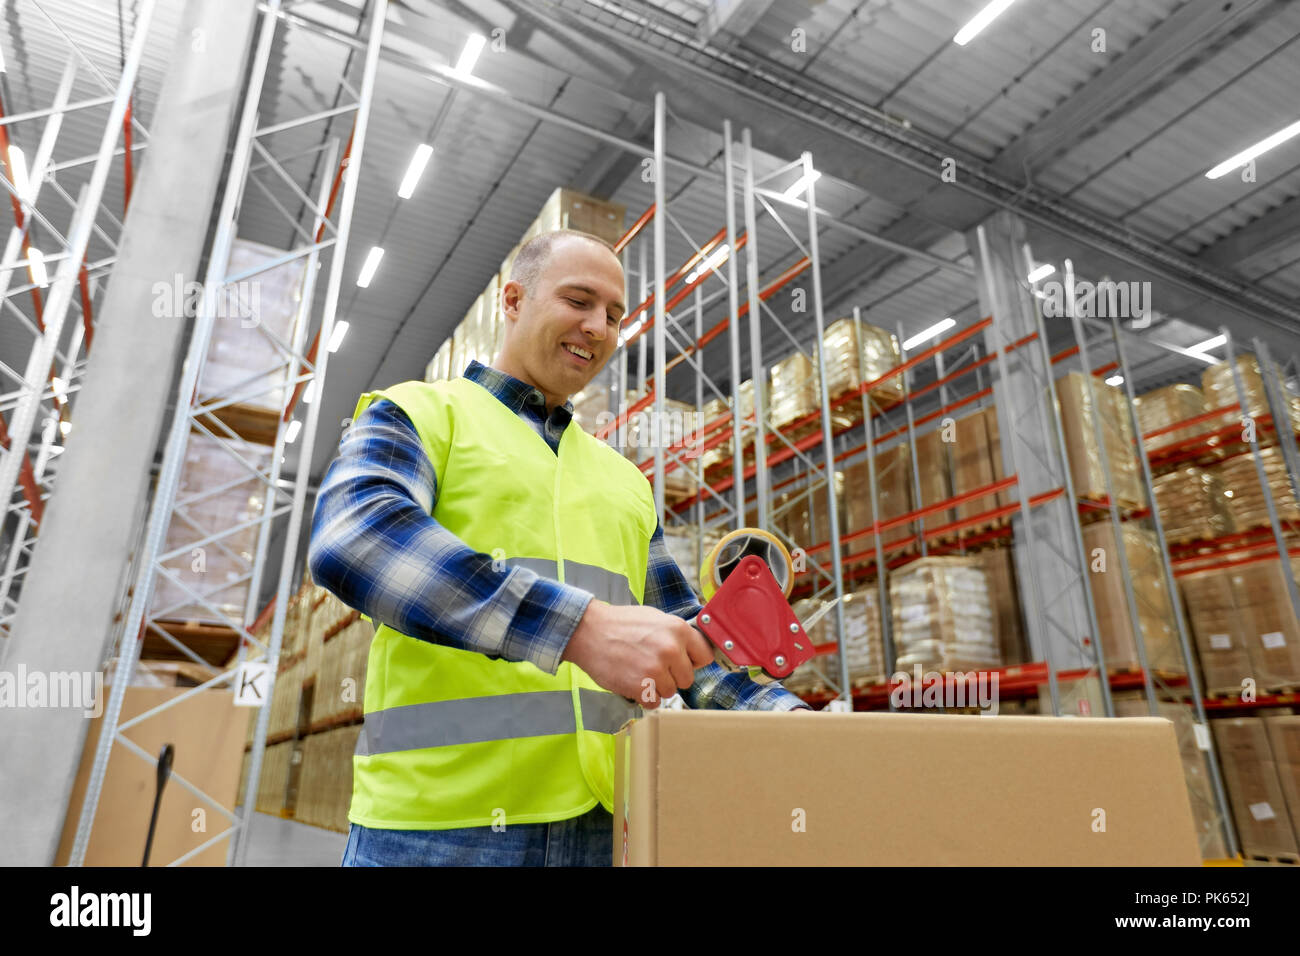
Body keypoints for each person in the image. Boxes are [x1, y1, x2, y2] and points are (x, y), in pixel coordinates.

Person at [309, 227, 810, 867]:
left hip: (604, 822)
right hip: (437, 829)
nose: (598, 327)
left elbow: (687, 636)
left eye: (614, 315)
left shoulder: (624, 480)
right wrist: (578, 629)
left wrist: (795, 723)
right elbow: (356, 538)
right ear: (513, 301)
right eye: (579, 301)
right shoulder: (423, 414)